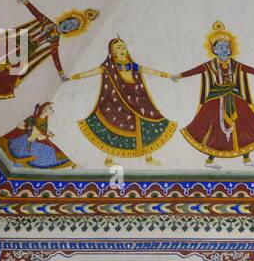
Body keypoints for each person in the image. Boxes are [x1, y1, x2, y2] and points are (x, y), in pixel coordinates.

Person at [174, 22, 254, 167]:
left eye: (226, 46)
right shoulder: (211, 65)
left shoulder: (234, 64)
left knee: (244, 123)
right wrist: (179, 76)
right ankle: (210, 160)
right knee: (213, 126)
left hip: (234, 95)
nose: (224, 49)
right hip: (216, 97)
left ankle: (246, 158)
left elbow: (250, 69)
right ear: (214, 50)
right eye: (220, 47)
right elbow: (195, 70)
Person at [66, 37, 176, 165]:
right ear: (112, 51)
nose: (122, 49)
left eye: (124, 47)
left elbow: (148, 70)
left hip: (138, 99)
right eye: (118, 47)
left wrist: (168, 76)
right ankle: (109, 160)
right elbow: (93, 72)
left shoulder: (132, 65)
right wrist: (72, 77)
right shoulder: (108, 66)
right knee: (117, 127)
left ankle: (149, 158)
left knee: (144, 125)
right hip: (117, 103)